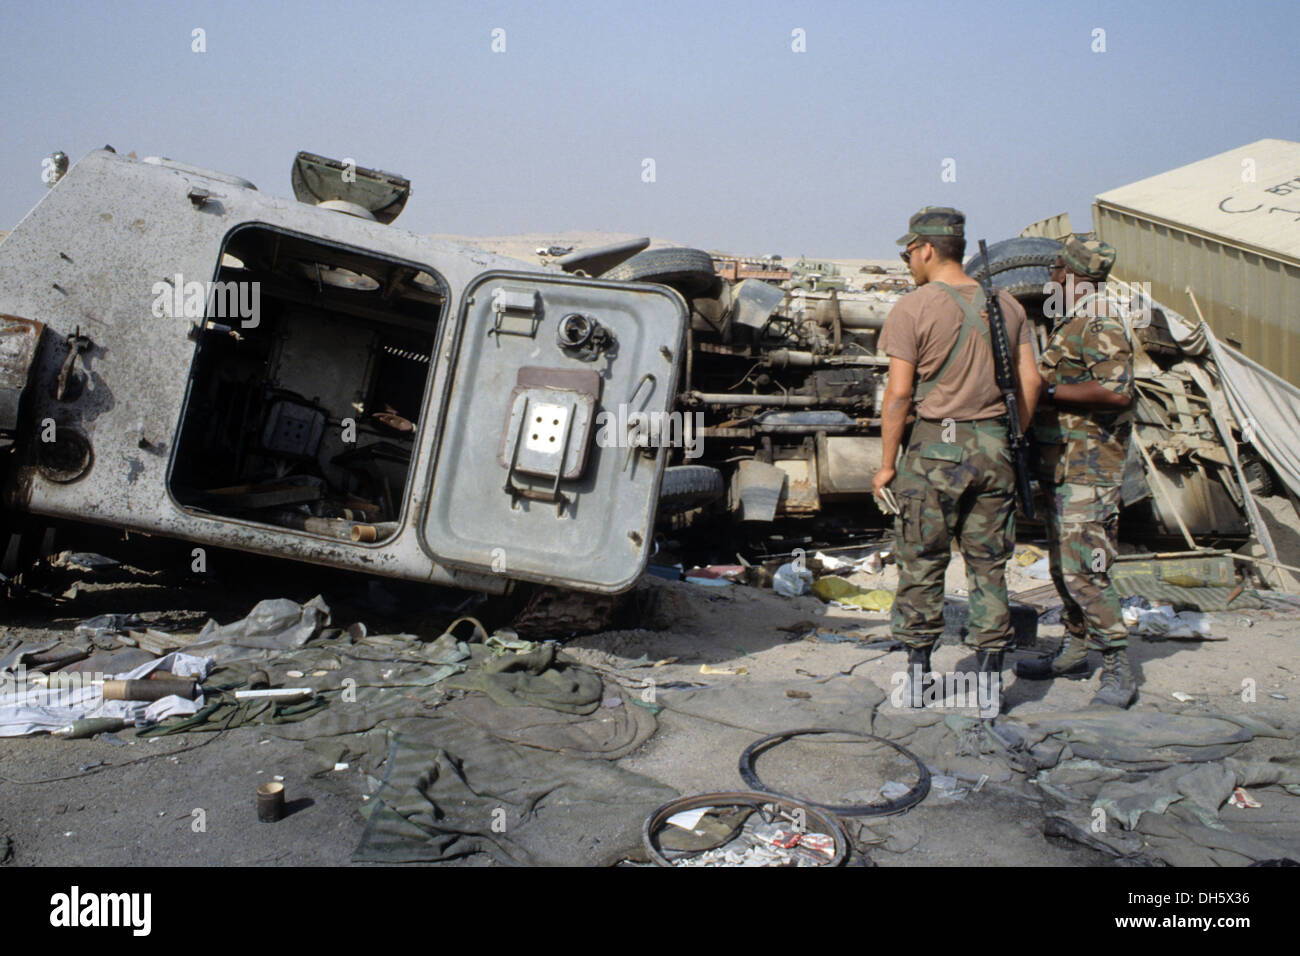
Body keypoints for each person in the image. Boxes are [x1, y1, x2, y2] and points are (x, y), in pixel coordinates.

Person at [874, 207, 1042, 709]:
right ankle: (989, 685)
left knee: (922, 562)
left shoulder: (912, 307)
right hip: (995, 449)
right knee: (989, 567)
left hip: (934, 452)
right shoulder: (1009, 305)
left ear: (926, 249)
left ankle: (919, 680)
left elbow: (899, 396)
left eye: (909, 252)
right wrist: (1004, 434)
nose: (908, 261)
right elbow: (1031, 381)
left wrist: (886, 463)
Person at [1014, 237, 1137, 708]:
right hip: (1063, 465)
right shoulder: (1075, 320)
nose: (1051, 278)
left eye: (1057, 271)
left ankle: (1117, 666)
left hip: (1089, 469)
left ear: (1072, 275)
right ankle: (1075, 649)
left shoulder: (1099, 320)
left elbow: (1117, 393)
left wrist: (1046, 394)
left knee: (1086, 571)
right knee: (1063, 568)